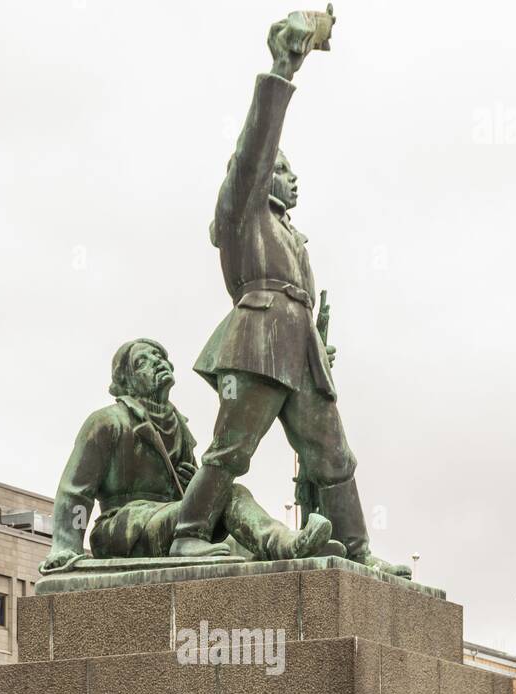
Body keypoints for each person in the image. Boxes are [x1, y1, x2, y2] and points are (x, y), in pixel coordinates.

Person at [170, 14, 411, 579]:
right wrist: (280, 73)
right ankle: (187, 535)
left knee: (335, 457)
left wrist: (319, 347)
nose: (291, 178)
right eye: (283, 169)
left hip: (299, 353)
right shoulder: (241, 214)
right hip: (258, 343)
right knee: (232, 450)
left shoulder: (290, 234)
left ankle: (355, 549)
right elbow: (254, 150)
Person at [40, 338, 339, 572]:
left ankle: (290, 548)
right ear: (126, 382)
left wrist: (194, 483)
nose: (157, 362)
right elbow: (74, 490)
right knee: (228, 495)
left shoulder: (178, 424)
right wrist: (65, 547)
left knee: (232, 501)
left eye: (159, 356)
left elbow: (198, 501)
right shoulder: (107, 421)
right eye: (143, 361)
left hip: (170, 523)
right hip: (124, 529)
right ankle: (285, 545)